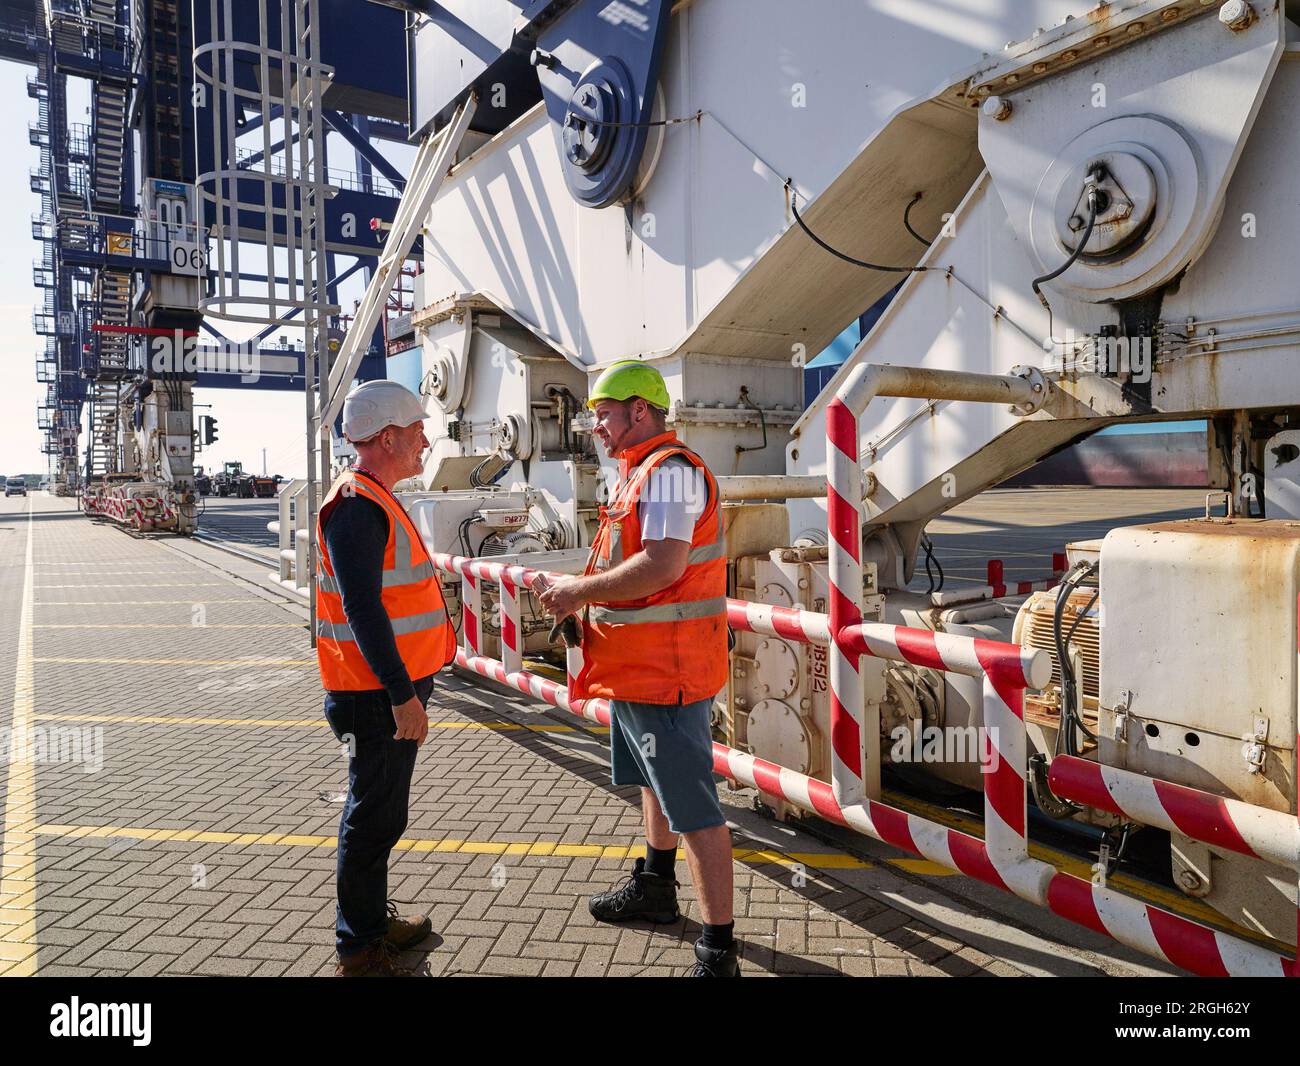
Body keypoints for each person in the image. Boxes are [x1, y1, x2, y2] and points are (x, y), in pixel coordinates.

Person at [537, 361, 739, 977]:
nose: (594, 425)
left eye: (603, 413)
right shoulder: (638, 473)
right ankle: (655, 887)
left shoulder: (671, 474)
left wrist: (577, 592)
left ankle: (718, 949)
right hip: (639, 668)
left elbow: (663, 566)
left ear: (640, 411)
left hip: (667, 670)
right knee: (655, 784)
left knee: (694, 806)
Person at [316, 379, 457, 977]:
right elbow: (364, 609)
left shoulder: (374, 496)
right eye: (419, 430)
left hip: (382, 690)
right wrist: (403, 695)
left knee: (379, 813)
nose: (427, 440)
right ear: (390, 436)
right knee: (373, 818)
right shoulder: (356, 506)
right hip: (376, 695)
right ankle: (360, 948)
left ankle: (369, 925)